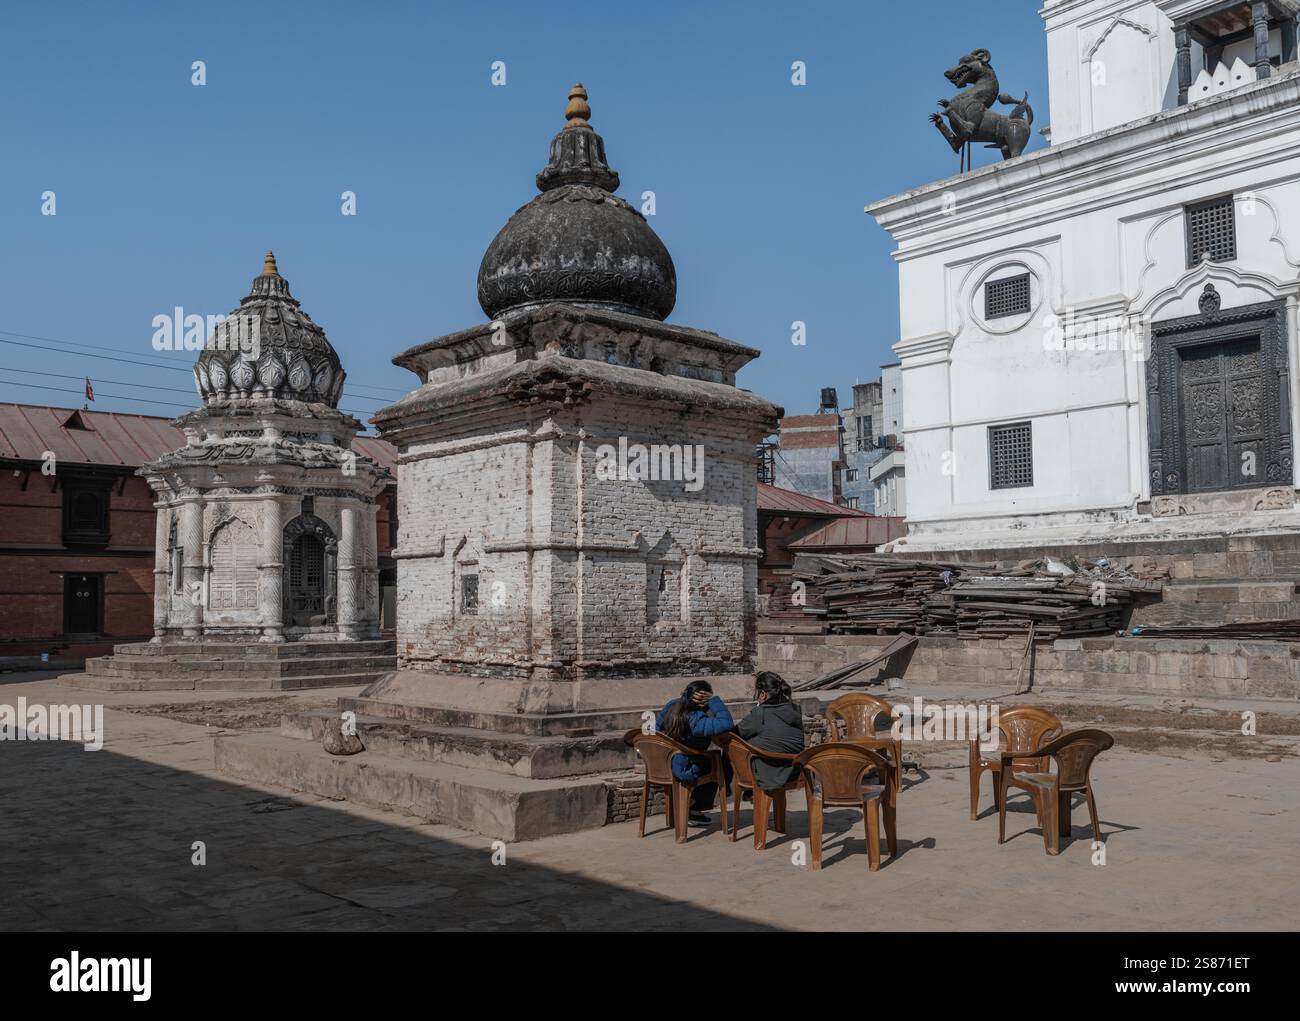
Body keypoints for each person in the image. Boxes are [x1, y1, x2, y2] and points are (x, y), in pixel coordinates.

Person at [656, 680, 734, 827]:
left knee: (705, 759)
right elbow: (726, 724)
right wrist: (715, 701)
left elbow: (656, 729)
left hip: (665, 762)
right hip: (685, 768)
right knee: (715, 762)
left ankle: (690, 807)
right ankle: (695, 808)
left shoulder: (671, 706)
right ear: (703, 699)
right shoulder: (697, 720)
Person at [735, 671, 804, 791]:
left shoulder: (760, 714)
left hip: (770, 777)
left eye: (755, 692)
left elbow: (735, 733)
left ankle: (740, 791)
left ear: (762, 695)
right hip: (795, 772)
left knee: (736, 744)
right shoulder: (794, 710)